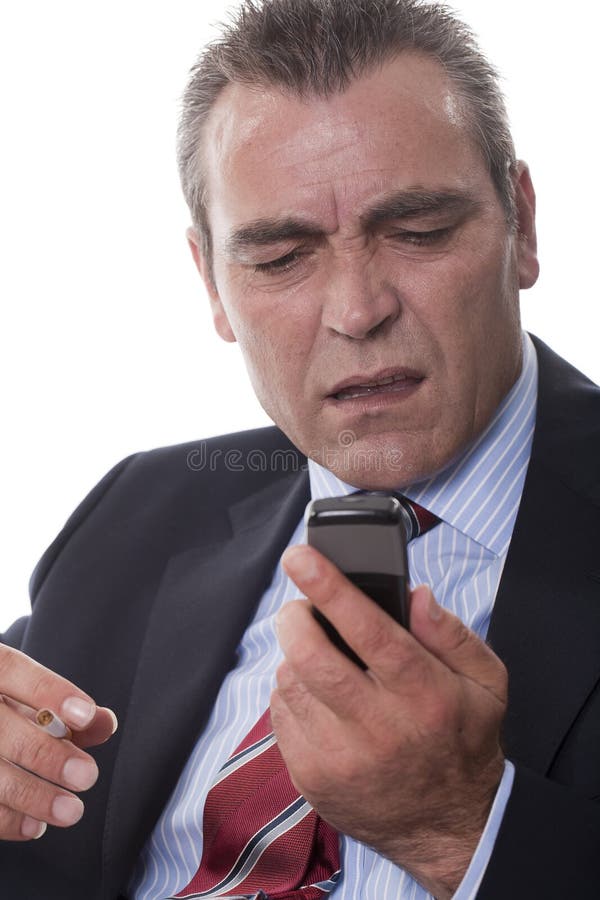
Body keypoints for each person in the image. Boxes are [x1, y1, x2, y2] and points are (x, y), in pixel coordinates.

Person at [1, 0, 599, 896]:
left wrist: (464, 831)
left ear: (522, 223)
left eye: (419, 232)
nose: (357, 312)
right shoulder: (137, 515)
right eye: (281, 257)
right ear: (211, 283)